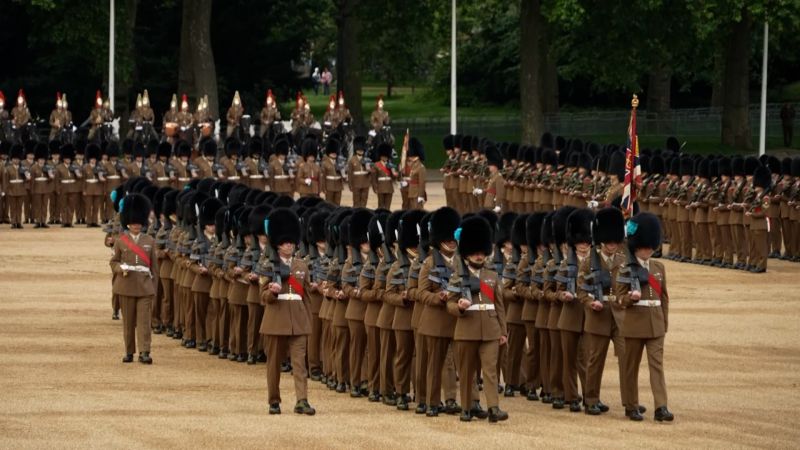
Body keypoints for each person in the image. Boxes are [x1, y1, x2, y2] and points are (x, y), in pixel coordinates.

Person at [446, 215, 509, 422]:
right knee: (466, 372)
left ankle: (493, 407)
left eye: (482, 252)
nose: (479, 256)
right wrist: (460, 308)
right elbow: (450, 304)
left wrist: (503, 331)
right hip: (467, 328)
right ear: (466, 254)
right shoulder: (458, 276)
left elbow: (498, 306)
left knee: (490, 371)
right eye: (475, 252)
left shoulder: (491, 276)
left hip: (491, 329)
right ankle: (466, 407)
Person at [613, 212, 673, 422]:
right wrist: (630, 298)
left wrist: (664, 323)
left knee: (657, 367)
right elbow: (618, 299)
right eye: (644, 247)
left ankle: (661, 407)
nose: (647, 250)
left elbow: (664, 298)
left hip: (655, 324)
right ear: (636, 246)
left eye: (650, 247)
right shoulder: (625, 268)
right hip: (634, 324)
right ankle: (631, 405)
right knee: (631, 367)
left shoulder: (658, 268)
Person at [261, 207, 317, 416]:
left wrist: (307, 320)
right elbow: (263, 296)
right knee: (274, 364)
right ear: (278, 244)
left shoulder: (301, 265)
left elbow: (307, 295)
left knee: (299, 364)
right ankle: (274, 401)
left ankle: (302, 400)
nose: (289, 246)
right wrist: (272, 292)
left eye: (292, 242)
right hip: (276, 319)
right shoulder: (269, 265)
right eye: (286, 243)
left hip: (298, 319)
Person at [109, 193, 158, 364]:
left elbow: (154, 268)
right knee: (128, 323)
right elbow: (113, 261)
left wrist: (154, 289)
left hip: (144, 286)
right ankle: (129, 351)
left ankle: (145, 352)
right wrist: (119, 268)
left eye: (139, 222)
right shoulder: (121, 242)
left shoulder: (149, 241)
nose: (137, 225)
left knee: (144, 322)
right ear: (128, 223)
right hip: (126, 285)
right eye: (134, 222)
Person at [3, 144, 26, 228]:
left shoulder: (23, 168)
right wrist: (6, 190)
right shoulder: (8, 169)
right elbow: (6, 180)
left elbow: (26, 180)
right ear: (12, 159)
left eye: (17, 159)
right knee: (13, 207)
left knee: (19, 208)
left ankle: (19, 222)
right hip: (11, 190)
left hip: (20, 189)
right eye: (14, 159)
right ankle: (13, 222)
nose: (16, 160)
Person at [371, 142, 396, 210]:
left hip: (389, 187)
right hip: (380, 187)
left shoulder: (391, 165)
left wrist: (394, 172)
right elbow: (374, 178)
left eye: (386, 156)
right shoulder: (376, 165)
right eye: (383, 156)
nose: (385, 158)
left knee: (388, 206)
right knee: (381, 205)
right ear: (380, 156)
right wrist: (375, 187)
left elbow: (394, 177)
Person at [348, 136, 370, 207]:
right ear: (356, 150)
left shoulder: (367, 160)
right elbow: (350, 174)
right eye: (359, 150)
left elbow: (370, 172)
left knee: (364, 201)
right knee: (356, 201)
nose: (360, 151)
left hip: (365, 183)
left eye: (362, 150)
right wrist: (350, 185)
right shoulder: (352, 160)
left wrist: (368, 167)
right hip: (356, 183)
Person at [406, 137, 426, 210]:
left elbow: (422, 183)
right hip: (412, 192)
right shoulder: (414, 166)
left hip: (417, 193)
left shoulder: (420, 167)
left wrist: (421, 195)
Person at [321, 139, 343, 205]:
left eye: (335, 152)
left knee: (337, 204)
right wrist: (324, 188)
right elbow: (323, 177)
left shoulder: (340, 162)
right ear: (329, 152)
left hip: (338, 186)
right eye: (332, 152)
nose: (334, 153)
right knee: (329, 205)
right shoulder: (325, 163)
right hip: (329, 187)